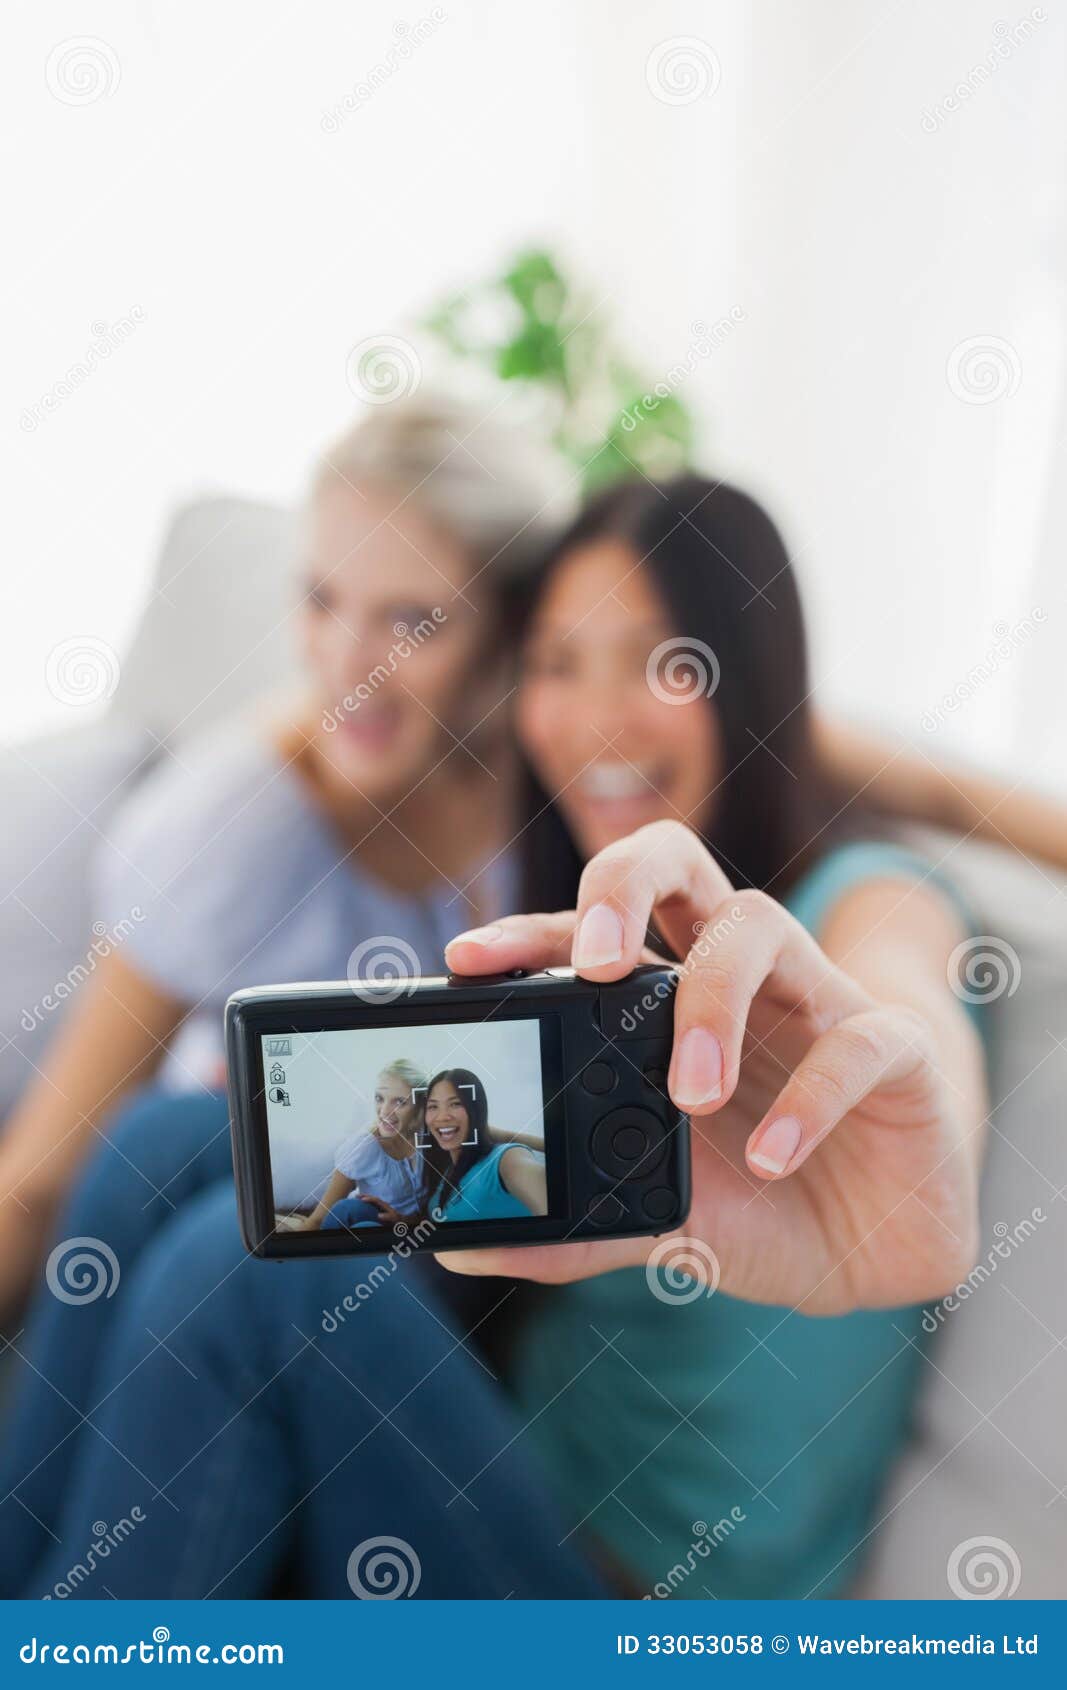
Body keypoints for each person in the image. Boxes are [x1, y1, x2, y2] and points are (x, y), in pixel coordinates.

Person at [0, 473, 999, 1600]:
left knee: (258, 1274)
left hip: (632, 1608)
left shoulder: (869, 897)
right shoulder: (590, 921)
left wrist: (919, 1128)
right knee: (174, 1138)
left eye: (661, 661)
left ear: (748, 676)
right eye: (556, 664)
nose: (593, 719)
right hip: (489, 1462)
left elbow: (902, 1013)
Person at [0, 394, 563, 1316]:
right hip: (203, 1278)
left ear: (507, 633)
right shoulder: (237, 823)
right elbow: (40, 1184)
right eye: (320, 599)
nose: (348, 663)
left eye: (412, 622)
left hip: (438, 1299)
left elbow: (771, 723)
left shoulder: (551, 753)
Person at [285, 1060, 427, 1232]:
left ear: (420, 1105)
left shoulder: (430, 1139)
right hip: (374, 1221)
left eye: (399, 1102)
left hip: (416, 1227)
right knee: (357, 1218)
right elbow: (320, 1218)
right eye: (379, 1099)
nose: (384, 1112)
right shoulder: (364, 1147)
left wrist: (405, 1220)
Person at [422, 1068, 547, 1222]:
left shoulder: (505, 1160)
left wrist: (504, 1135)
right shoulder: (446, 1170)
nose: (442, 1117)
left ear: (476, 1109)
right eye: (433, 1106)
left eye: (455, 1104)